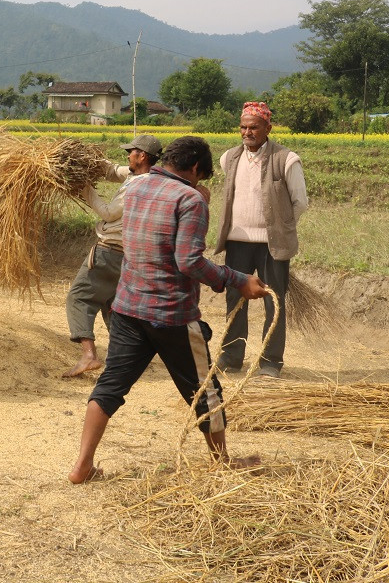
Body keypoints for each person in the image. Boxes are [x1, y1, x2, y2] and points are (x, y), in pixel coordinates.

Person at [69, 136, 267, 484]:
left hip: (129, 307)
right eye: (200, 177)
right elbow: (189, 262)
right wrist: (238, 280)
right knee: (206, 389)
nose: (199, 183)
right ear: (193, 169)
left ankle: (82, 466)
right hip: (172, 315)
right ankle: (221, 462)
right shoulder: (190, 199)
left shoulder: (137, 188)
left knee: (110, 386)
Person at [214, 101, 308, 379]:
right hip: (237, 242)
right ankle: (231, 357)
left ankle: (270, 362)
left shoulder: (286, 159)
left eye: (253, 127)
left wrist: (280, 229)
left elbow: (299, 202)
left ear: (268, 128)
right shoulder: (229, 158)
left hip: (272, 244)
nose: (247, 132)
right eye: (243, 127)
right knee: (235, 298)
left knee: (274, 302)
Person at [63, 134, 162, 378]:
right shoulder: (142, 176)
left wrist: (85, 188)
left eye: (131, 152)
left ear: (142, 156)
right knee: (113, 305)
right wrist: (88, 161)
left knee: (78, 298)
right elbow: (112, 170)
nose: (127, 155)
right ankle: (127, 355)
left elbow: (108, 213)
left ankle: (88, 356)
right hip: (128, 255)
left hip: (109, 252)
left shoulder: (139, 185)